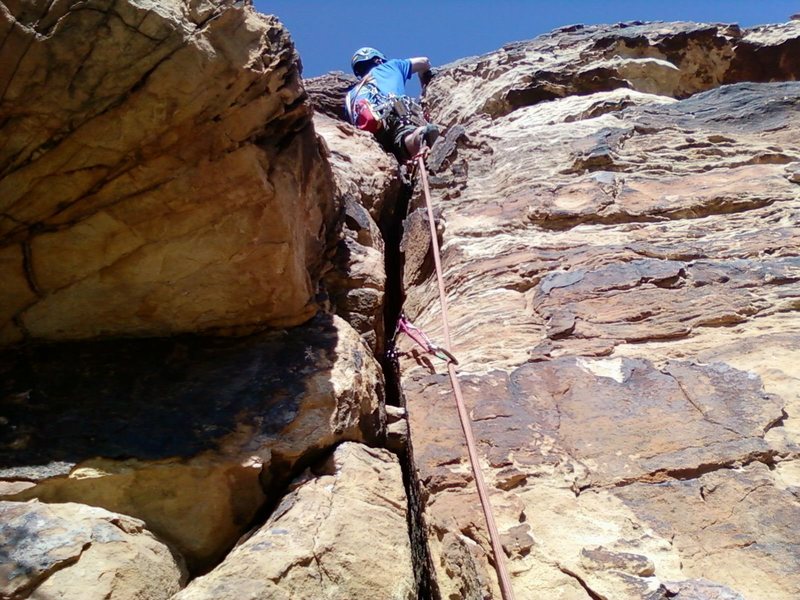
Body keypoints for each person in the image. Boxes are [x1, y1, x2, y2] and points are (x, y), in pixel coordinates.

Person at [344, 47, 439, 162]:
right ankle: (419, 138)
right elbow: (424, 62)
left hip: (372, 137)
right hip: (394, 118)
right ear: (378, 60)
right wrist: (423, 80)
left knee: (397, 143)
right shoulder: (390, 66)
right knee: (410, 134)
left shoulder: (351, 96)